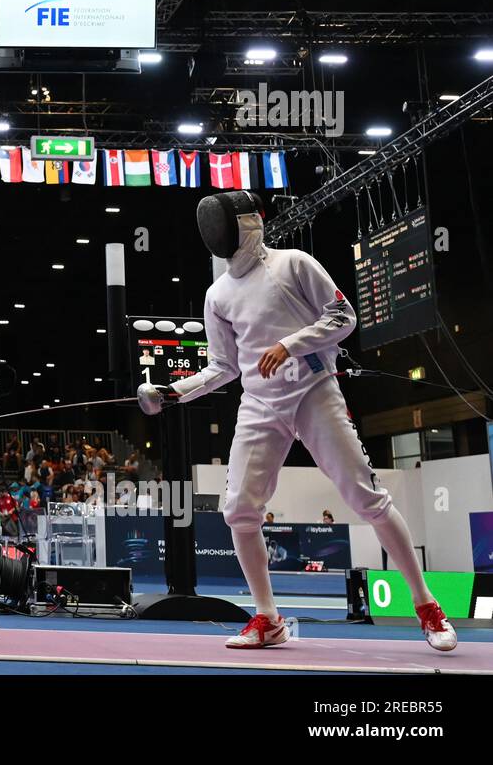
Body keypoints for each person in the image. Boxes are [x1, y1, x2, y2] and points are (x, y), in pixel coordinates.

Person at [137, 192, 456, 652]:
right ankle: (267, 618)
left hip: (313, 392)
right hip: (260, 405)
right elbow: (223, 367)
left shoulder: (294, 264)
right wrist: (172, 393)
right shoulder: (218, 294)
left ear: (247, 224)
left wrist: (291, 344)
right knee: (239, 512)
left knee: (366, 498)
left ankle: (426, 605)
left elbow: (344, 316)